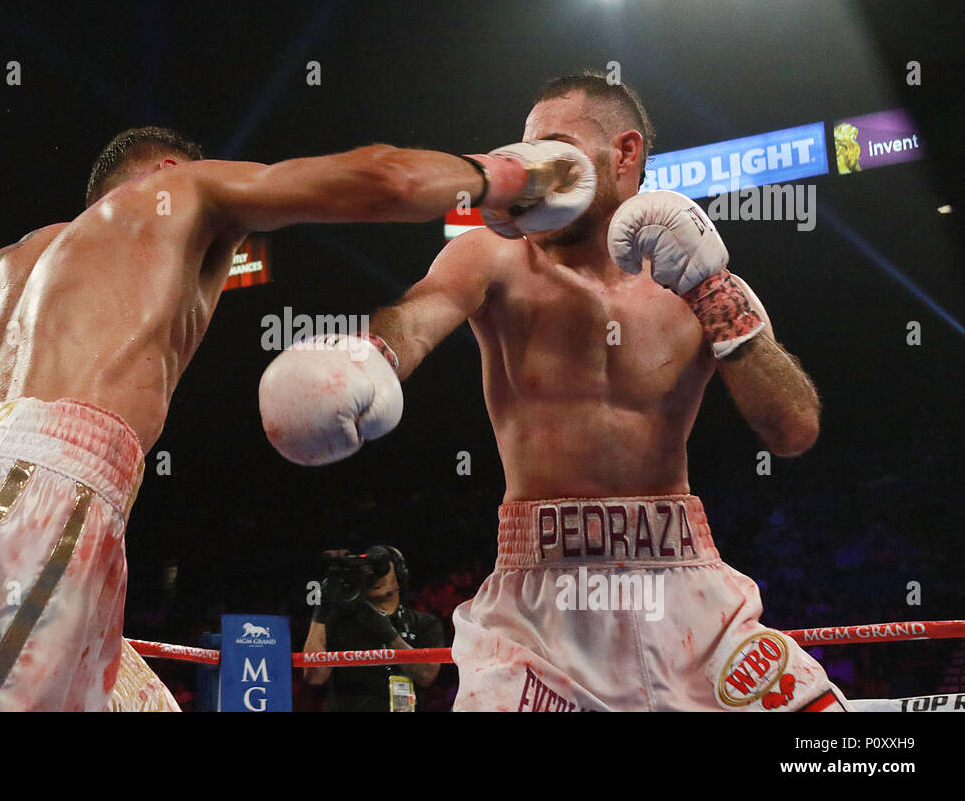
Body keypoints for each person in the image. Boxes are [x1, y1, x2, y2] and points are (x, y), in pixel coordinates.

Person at [0, 125, 596, 711]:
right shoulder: (177, 194)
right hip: (37, 500)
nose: (217, 271)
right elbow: (383, 178)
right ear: (163, 174)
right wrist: (503, 177)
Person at [259, 72, 849, 712]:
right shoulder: (494, 256)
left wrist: (715, 292)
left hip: (686, 586)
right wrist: (365, 357)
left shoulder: (694, 276)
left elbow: (794, 429)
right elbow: (418, 316)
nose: (533, 171)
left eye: (556, 147)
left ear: (624, 154)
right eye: (527, 150)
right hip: (541, 596)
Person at [303, 545, 444, 711]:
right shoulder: (340, 621)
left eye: (381, 568)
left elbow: (426, 676)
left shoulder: (424, 623)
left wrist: (390, 635)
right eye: (368, 571)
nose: (375, 576)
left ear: (398, 573)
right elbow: (314, 677)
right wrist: (320, 613)